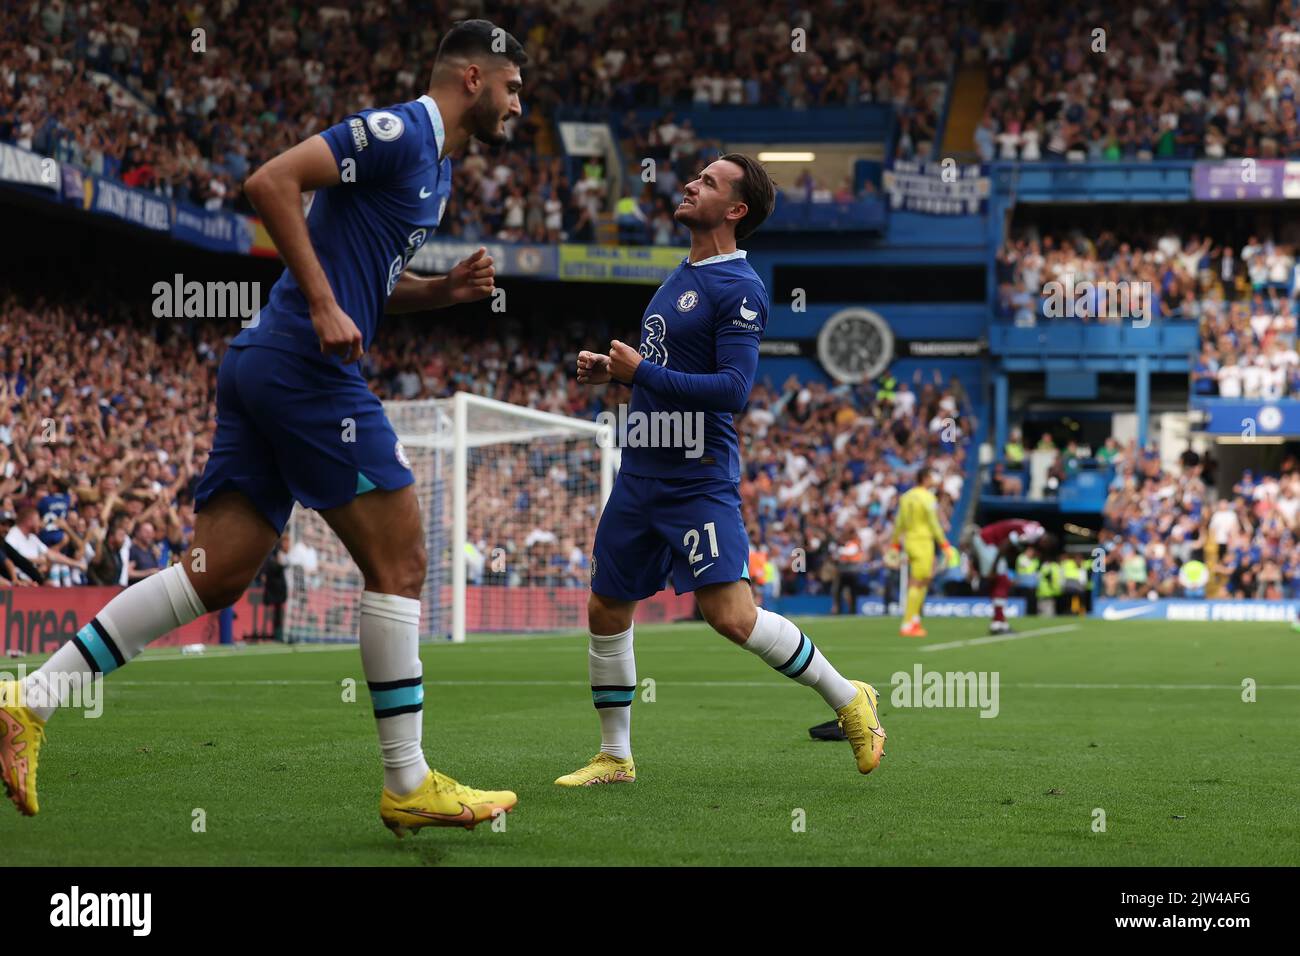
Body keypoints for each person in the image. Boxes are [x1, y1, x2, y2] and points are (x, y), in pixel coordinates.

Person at [2, 20, 525, 836]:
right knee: (403, 559)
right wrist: (319, 303)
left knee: (215, 575)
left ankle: (29, 701)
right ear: (471, 78)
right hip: (301, 366)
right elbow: (270, 180)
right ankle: (408, 780)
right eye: (513, 86)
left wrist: (441, 292)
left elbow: (367, 280)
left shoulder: (439, 170)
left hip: (263, 366)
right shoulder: (400, 130)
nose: (518, 104)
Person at [559, 153, 886, 787]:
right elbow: (664, 373)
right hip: (641, 470)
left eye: (707, 182)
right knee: (606, 607)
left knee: (731, 615)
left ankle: (850, 699)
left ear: (735, 210)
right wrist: (615, 376)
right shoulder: (679, 276)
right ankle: (615, 757)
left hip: (695, 477)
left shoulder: (740, 288)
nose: (689, 184)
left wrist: (641, 374)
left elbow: (734, 389)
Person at [888, 469, 956, 638]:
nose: (934, 479)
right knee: (918, 582)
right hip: (923, 542)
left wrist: (895, 543)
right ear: (925, 478)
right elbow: (933, 523)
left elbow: (899, 522)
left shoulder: (906, 497)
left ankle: (915, 619)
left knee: (920, 581)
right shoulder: (928, 498)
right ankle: (907, 623)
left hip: (909, 541)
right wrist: (945, 544)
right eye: (932, 476)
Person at [969, 519, 1047, 634]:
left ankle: (999, 622)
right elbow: (1005, 544)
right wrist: (994, 567)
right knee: (1002, 581)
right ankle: (998, 623)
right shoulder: (1032, 534)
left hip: (989, 541)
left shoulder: (1035, 528)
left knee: (999, 582)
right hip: (987, 541)